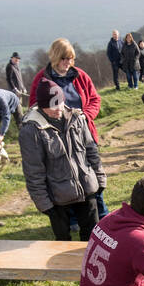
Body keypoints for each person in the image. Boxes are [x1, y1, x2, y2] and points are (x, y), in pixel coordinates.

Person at [19, 79, 105, 241]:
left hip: (86, 188)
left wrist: (100, 180)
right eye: (52, 106)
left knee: (93, 240)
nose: (58, 109)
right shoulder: (31, 130)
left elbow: (91, 151)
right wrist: (45, 205)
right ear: (41, 106)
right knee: (63, 243)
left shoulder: (77, 118)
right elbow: (33, 172)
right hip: (57, 199)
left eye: (60, 103)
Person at [28, 38, 106, 217]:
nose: (68, 63)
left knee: (90, 172)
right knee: (65, 177)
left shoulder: (79, 75)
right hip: (56, 138)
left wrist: (85, 116)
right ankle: (71, 217)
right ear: (55, 58)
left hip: (82, 132)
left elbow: (95, 99)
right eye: (64, 59)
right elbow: (34, 106)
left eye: (71, 59)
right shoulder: (42, 79)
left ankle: (100, 213)